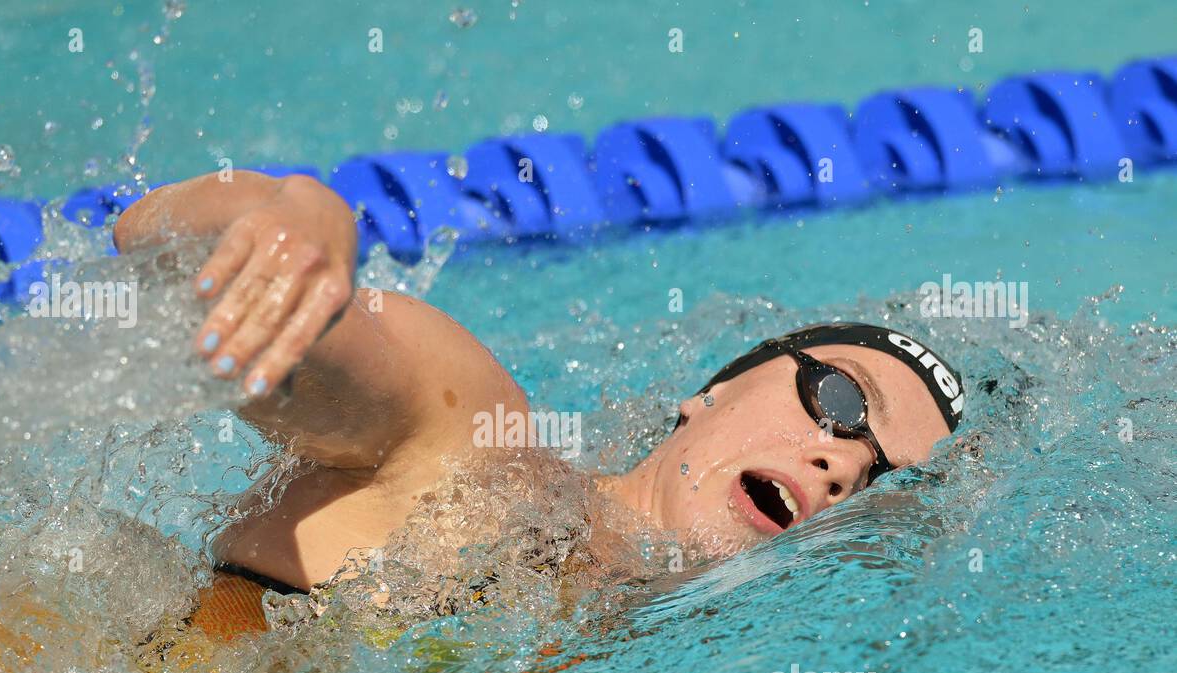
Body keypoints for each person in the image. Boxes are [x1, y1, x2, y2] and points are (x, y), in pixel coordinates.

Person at [113, 171, 965, 598]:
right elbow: (152, 243)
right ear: (712, 394)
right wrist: (291, 219)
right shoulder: (480, 457)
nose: (845, 467)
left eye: (886, 478)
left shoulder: (645, 658)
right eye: (843, 404)